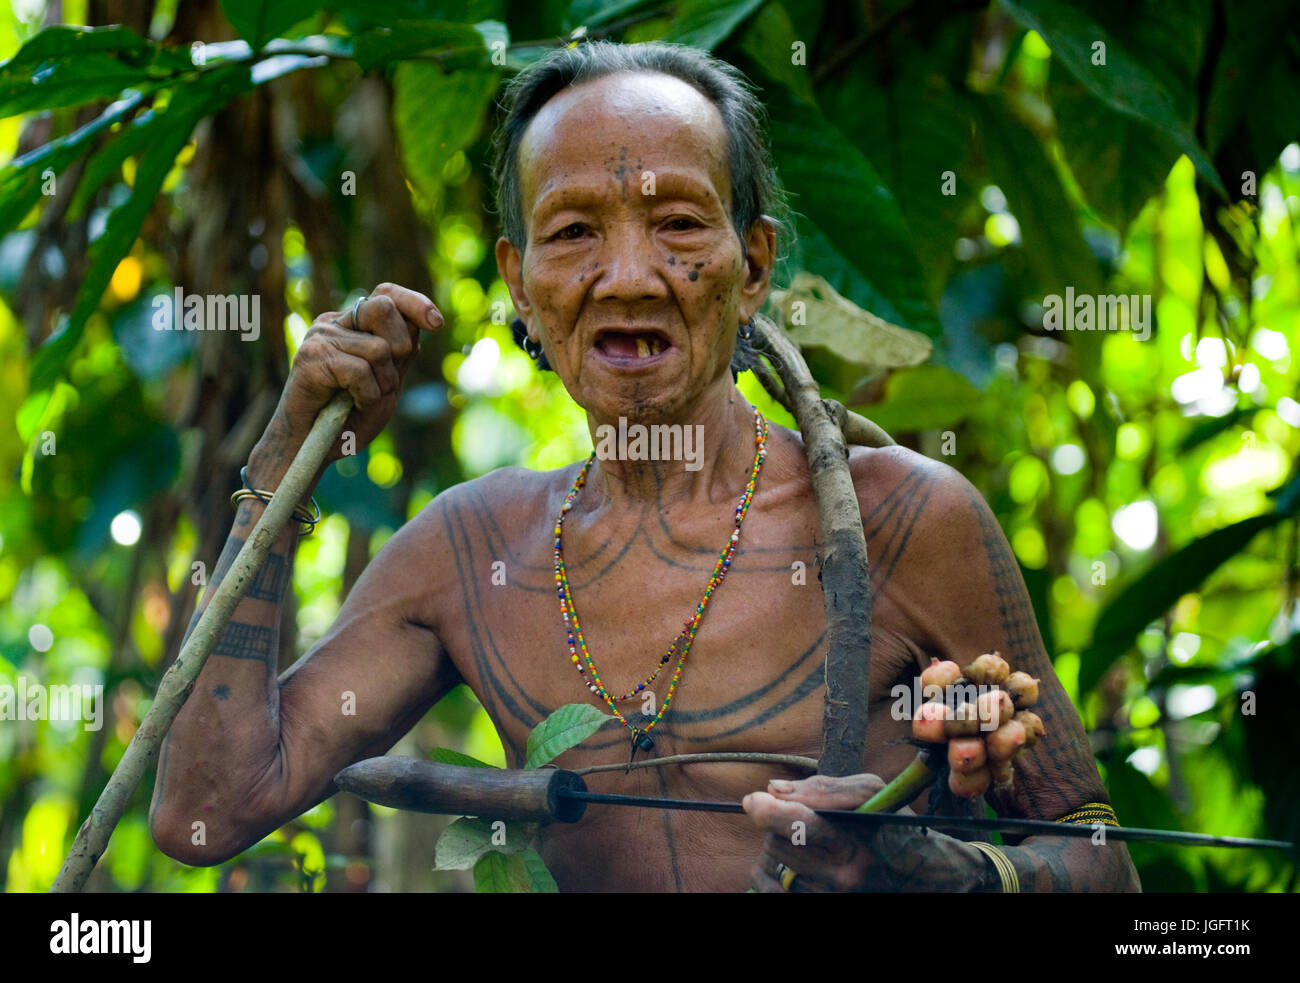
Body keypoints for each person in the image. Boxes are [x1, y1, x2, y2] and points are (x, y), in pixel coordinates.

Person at [149, 41, 1140, 893]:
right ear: (520, 284)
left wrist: (935, 870)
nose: (627, 276)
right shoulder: (466, 550)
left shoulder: (908, 521)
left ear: (753, 267)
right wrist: (286, 454)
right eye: (575, 232)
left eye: (676, 225)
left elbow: (1099, 858)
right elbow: (205, 809)